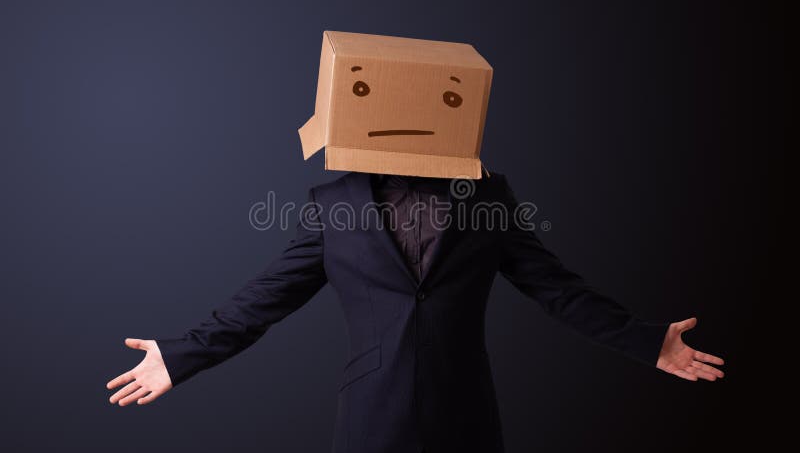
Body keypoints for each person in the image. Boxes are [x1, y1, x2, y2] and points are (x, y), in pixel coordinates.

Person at [107, 171, 724, 453]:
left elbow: (556, 288)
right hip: (372, 417)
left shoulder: (488, 196)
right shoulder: (334, 203)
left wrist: (647, 341)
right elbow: (266, 297)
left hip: (465, 412)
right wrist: (181, 356)